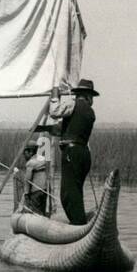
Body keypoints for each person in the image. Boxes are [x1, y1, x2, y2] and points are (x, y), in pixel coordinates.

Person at [58, 78, 98, 224]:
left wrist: (55, 96)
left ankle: (78, 225)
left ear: (80, 95)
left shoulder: (74, 105)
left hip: (72, 153)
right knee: (76, 190)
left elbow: (54, 111)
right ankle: (79, 221)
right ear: (88, 96)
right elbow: (73, 128)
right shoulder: (90, 112)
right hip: (84, 155)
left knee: (68, 194)